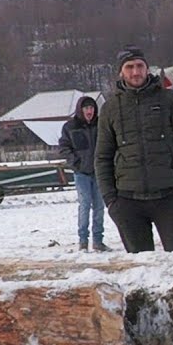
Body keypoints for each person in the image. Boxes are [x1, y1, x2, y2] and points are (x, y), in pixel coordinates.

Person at [95, 45, 173, 257]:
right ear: (121, 72)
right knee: (141, 269)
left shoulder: (170, 100)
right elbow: (102, 156)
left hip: (170, 197)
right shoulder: (110, 108)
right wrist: (111, 200)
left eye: (140, 66)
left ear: (147, 68)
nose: (135, 72)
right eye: (129, 67)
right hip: (128, 202)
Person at [59, 95, 109, 251]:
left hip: (99, 172)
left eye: (92, 108)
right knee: (85, 205)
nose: (90, 111)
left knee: (99, 207)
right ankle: (82, 241)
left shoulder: (100, 124)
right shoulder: (70, 127)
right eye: (86, 108)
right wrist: (76, 162)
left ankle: (98, 241)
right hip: (81, 173)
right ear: (80, 110)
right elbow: (64, 148)